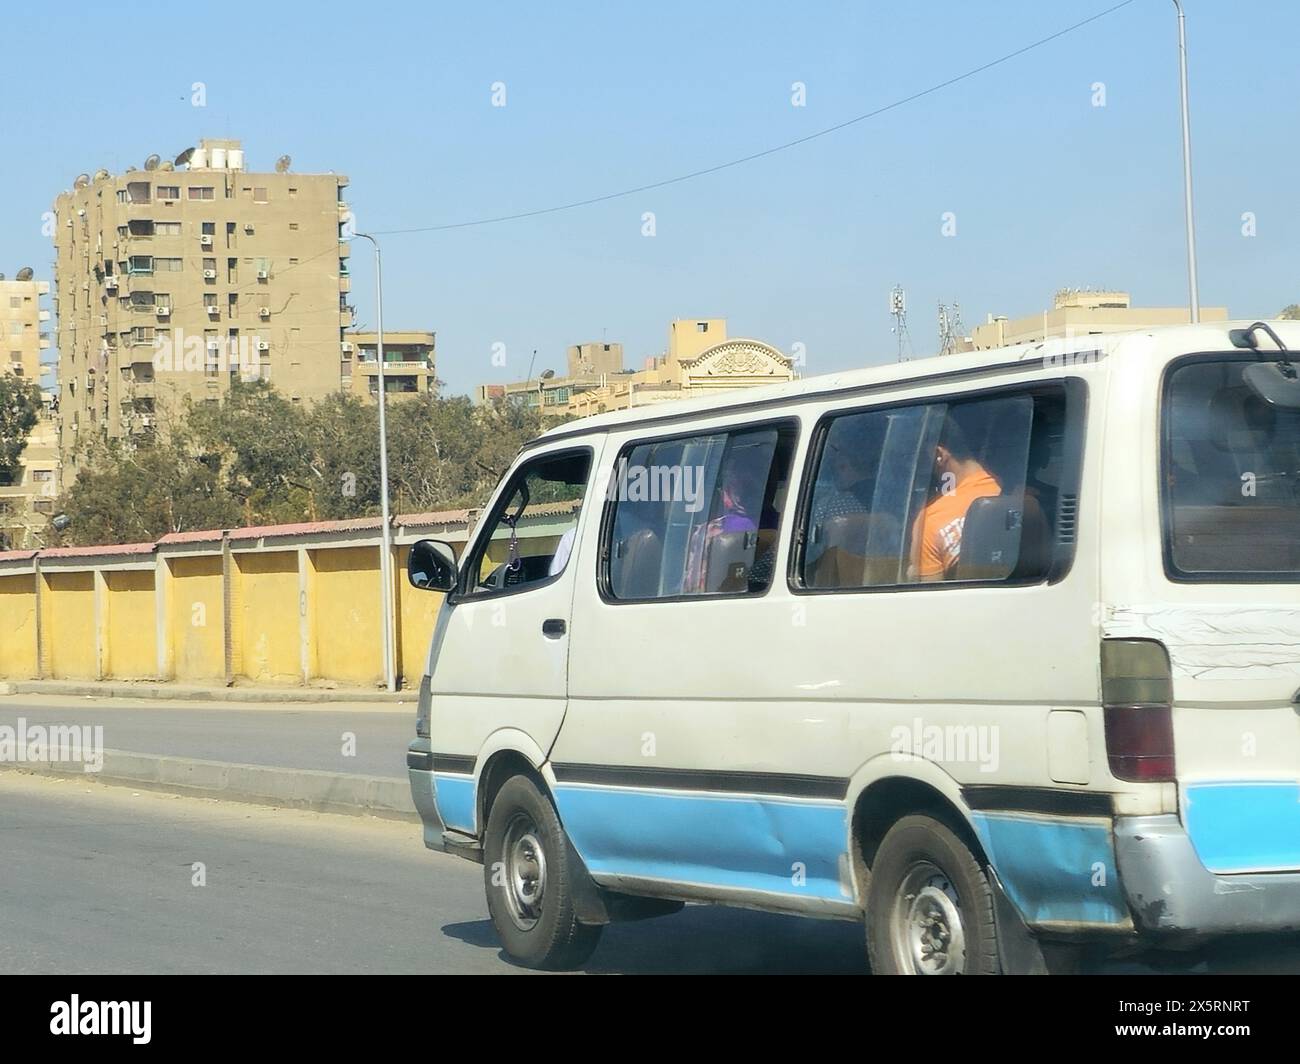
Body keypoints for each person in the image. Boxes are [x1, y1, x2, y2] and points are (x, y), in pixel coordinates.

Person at [909, 417, 1000, 581]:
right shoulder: (1011, 492)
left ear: (939, 455)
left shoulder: (930, 521)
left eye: (921, 461)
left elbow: (928, 599)